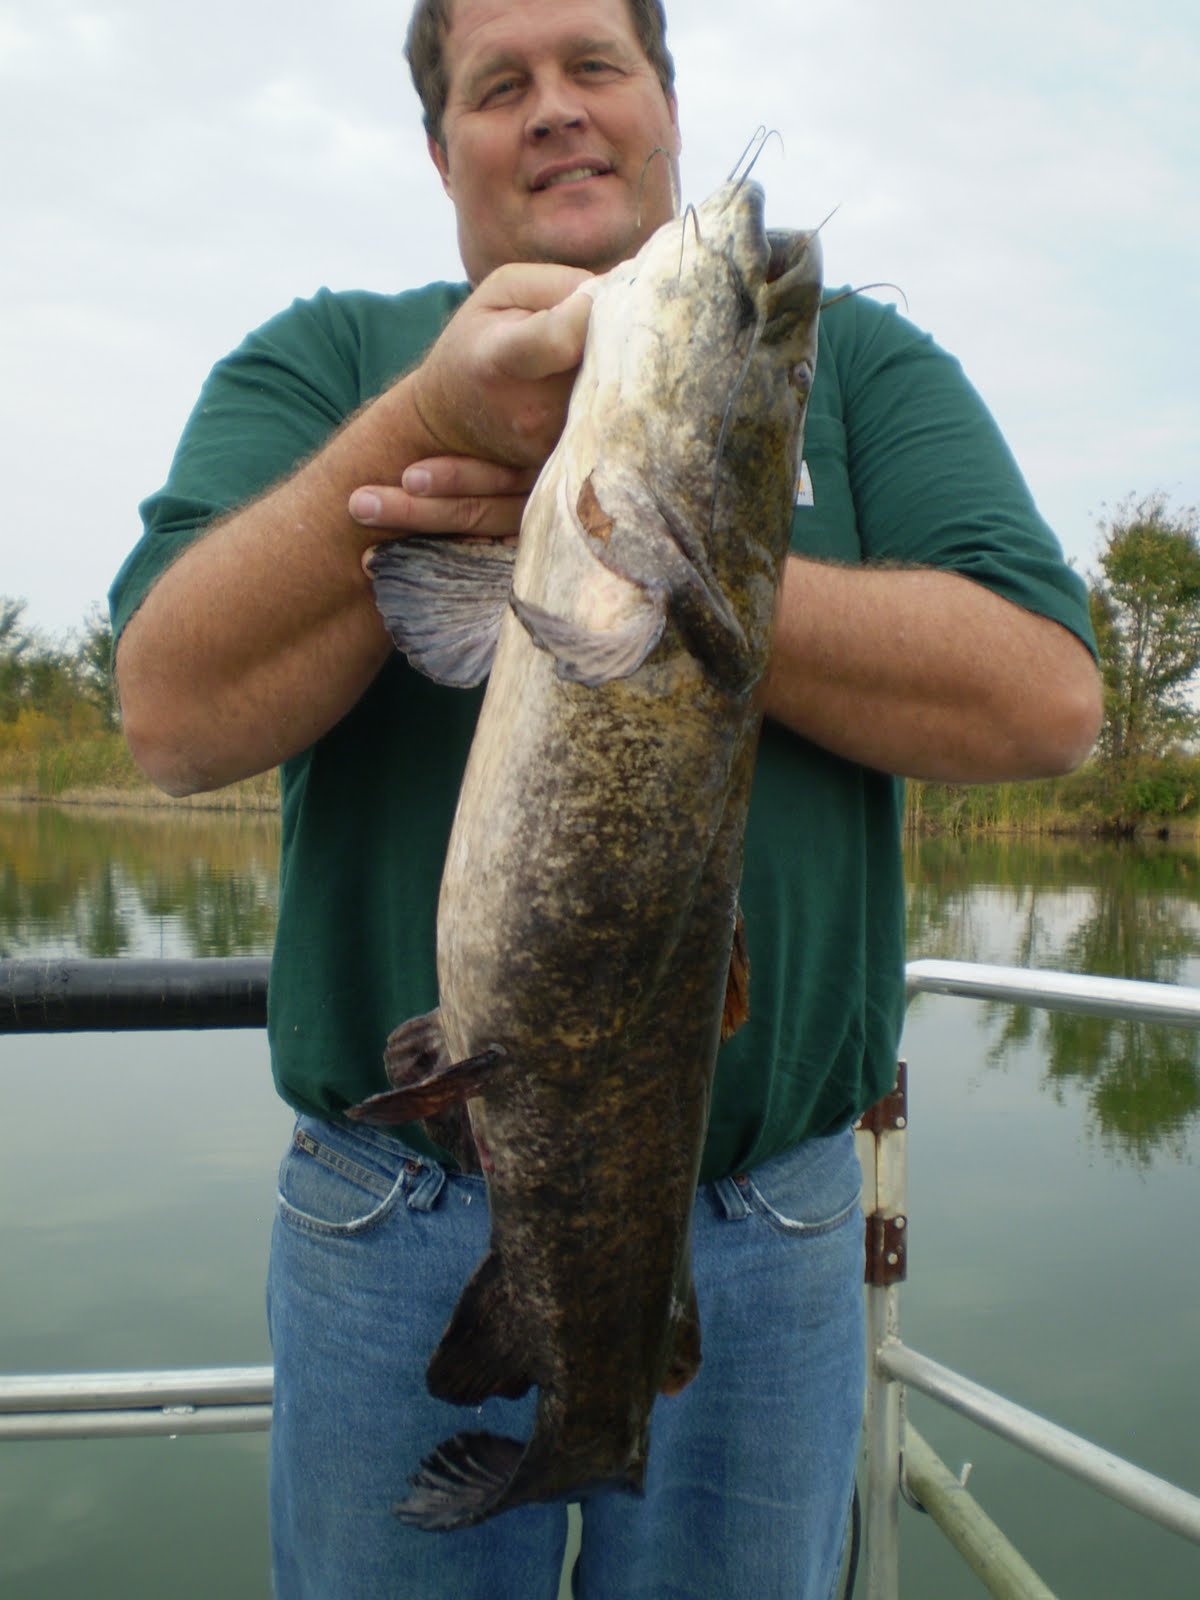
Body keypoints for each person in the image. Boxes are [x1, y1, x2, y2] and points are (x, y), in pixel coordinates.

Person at [109, 1, 1102, 1595]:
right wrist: (429, 425)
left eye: (598, 66)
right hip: (397, 1212)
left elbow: (1049, 700)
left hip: (766, 1232)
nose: (558, 111)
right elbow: (168, 717)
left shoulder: (852, 367)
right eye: (501, 85)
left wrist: (685, 560)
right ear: (443, 150)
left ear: (669, 106)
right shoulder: (330, 358)